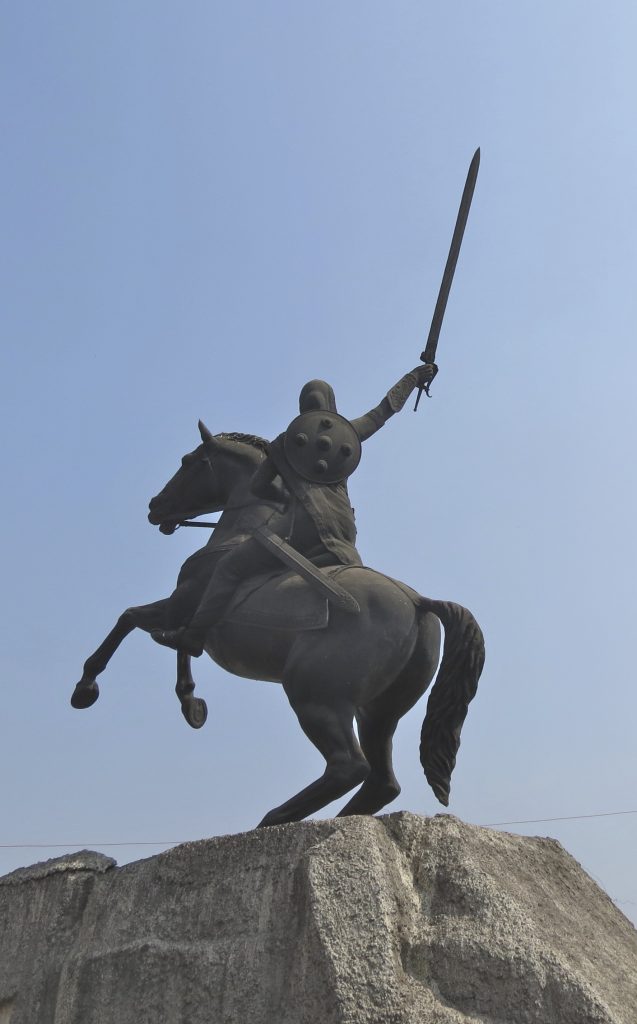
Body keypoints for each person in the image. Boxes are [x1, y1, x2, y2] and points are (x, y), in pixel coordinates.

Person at [152, 362, 437, 656]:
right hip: (343, 532)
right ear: (330, 406)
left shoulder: (284, 445)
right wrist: (414, 377)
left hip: (300, 529)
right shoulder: (346, 433)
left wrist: (285, 498)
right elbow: (384, 411)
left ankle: (194, 637)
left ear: (303, 408)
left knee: (229, 566)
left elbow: (257, 487)